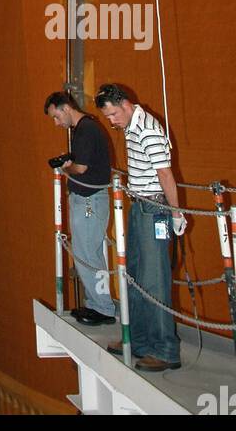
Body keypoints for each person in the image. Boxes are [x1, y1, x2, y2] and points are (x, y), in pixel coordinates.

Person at [95, 83, 185, 371]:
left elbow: (165, 175)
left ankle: (165, 350)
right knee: (134, 274)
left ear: (126, 104)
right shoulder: (131, 127)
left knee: (155, 280)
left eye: (113, 115)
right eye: (107, 117)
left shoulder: (148, 130)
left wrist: (176, 214)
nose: (111, 122)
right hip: (138, 206)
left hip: (154, 209)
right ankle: (139, 339)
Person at [44, 91, 116, 327]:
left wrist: (66, 168)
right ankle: (99, 304)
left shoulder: (85, 130)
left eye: (56, 117)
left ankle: (103, 308)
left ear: (65, 108)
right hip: (90, 199)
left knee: (87, 253)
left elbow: (82, 168)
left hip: (89, 201)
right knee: (89, 252)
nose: (56, 123)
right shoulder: (86, 128)